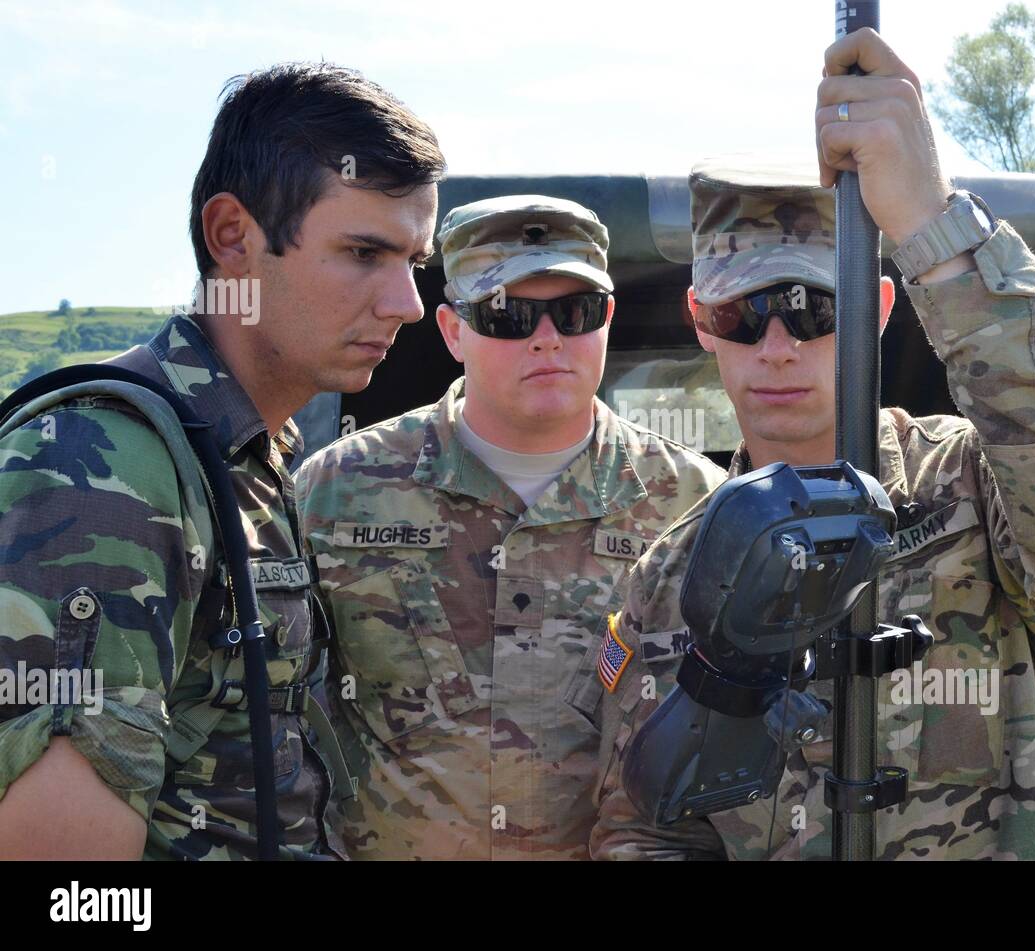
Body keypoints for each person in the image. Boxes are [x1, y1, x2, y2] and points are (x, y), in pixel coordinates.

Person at [590, 29, 1035, 860]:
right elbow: (646, 823)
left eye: (813, 311)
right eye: (743, 315)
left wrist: (930, 221)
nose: (778, 347)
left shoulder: (971, 488)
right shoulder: (671, 571)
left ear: (878, 308)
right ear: (702, 321)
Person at [0, 63, 445, 859]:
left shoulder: (252, 455)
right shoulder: (105, 464)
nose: (406, 303)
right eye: (364, 253)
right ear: (233, 237)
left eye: (413, 261)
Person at [296, 195, 726, 860]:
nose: (546, 336)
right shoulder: (337, 491)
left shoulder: (695, 503)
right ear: (451, 329)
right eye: (507, 314)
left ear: (606, 317)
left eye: (575, 312)